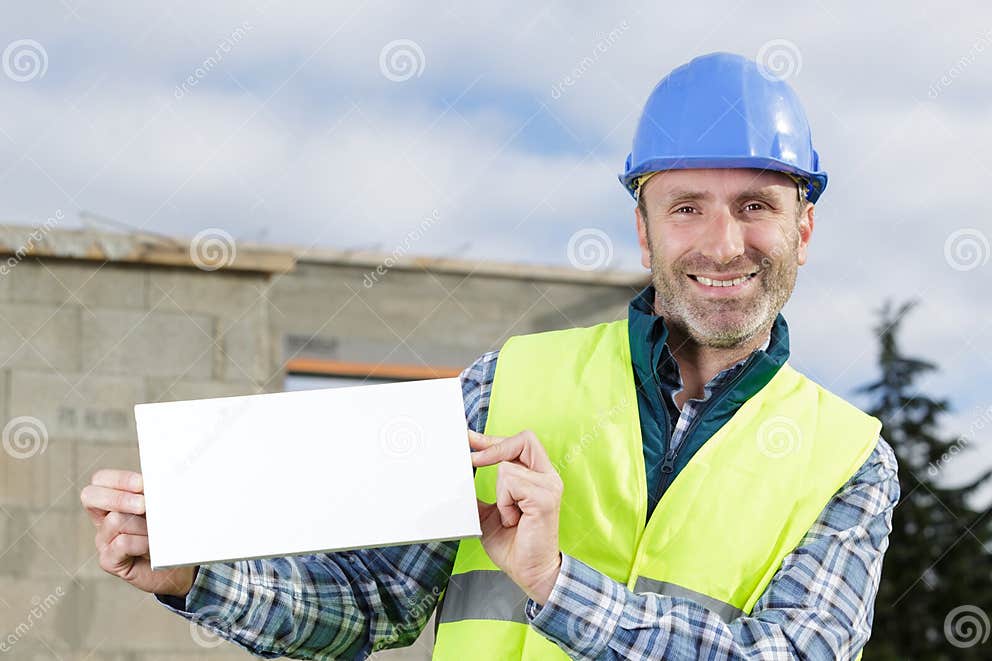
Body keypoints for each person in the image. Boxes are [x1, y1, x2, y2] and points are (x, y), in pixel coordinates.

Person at [80, 51, 899, 660]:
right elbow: (375, 600)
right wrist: (197, 576)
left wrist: (556, 583)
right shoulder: (505, 382)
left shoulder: (849, 461)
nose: (722, 243)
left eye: (755, 205)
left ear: (803, 228)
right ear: (645, 231)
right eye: (687, 207)